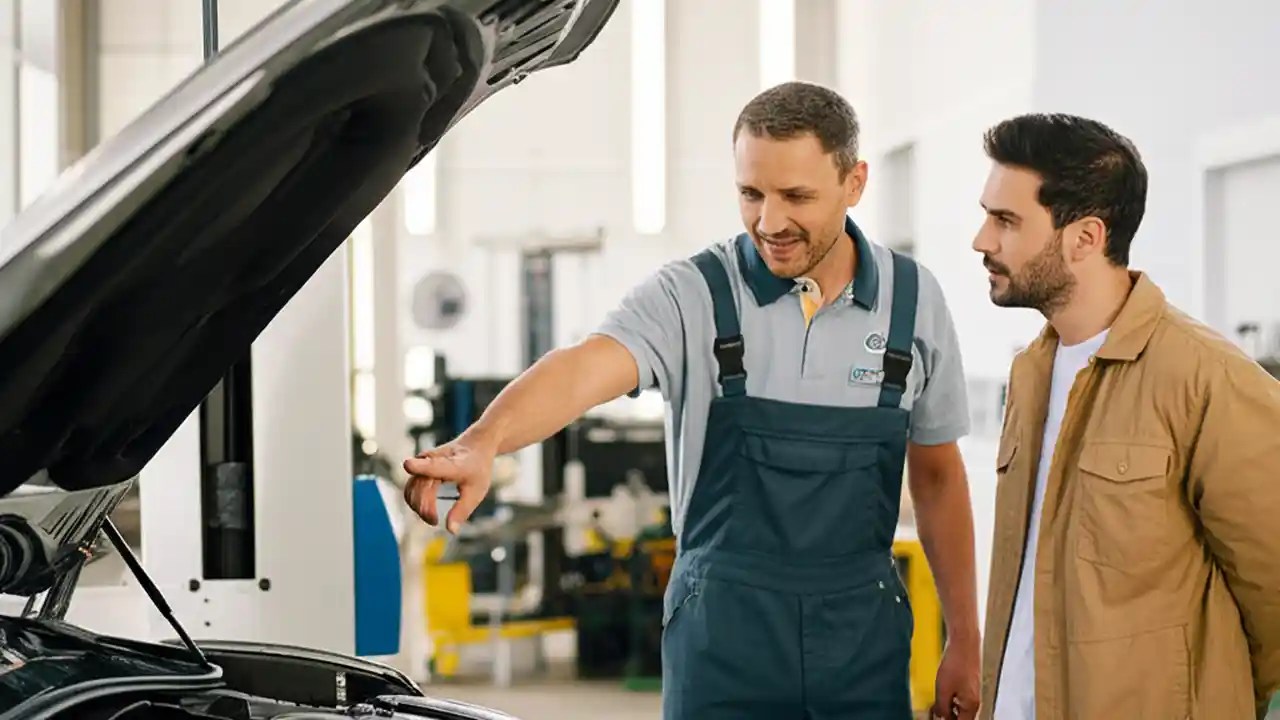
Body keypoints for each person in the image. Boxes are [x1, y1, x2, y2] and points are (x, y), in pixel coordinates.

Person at [404, 81, 982, 720]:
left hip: (860, 643)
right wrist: (485, 440)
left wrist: (965, 637)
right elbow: (581, 368)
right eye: (750, 193)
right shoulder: (694, 294)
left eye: (796, 196)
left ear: (855, 183)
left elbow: (938, 478)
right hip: (723, 642)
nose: (769, 221)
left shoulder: (914, 300)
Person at [973, 113, 1280, 720]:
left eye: (1006, 220)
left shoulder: (1206, 378)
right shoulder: (1031, 373)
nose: (982, 239)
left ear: (1084, 237)